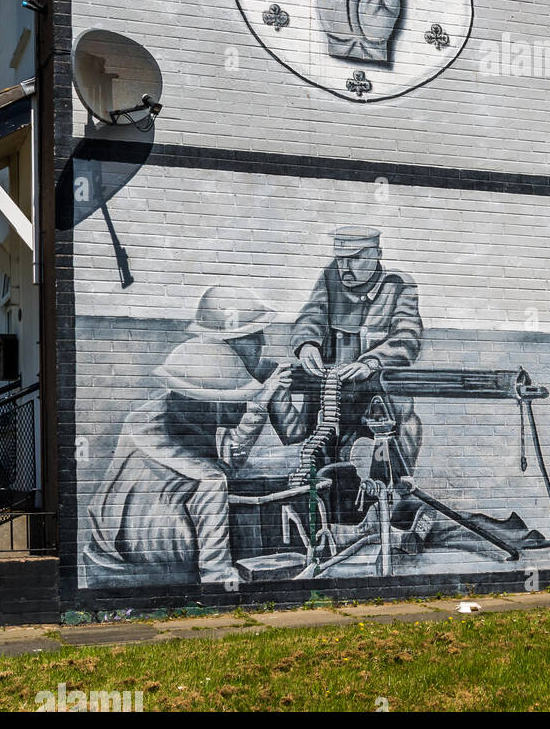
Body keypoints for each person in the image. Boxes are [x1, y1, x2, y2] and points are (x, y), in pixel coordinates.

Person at [82, 286, 304, 591]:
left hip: (101, 561)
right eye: (252, 337)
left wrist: (260, 402)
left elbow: (226, 455)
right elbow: (217, 577)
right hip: (160, 579)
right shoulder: (208, 482)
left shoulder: (141, 422)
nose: (261, 346)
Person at [291, 226, 423, 469]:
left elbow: (407, 338)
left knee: (390, 475)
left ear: (377, 254)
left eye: (354, 259)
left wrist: (370, 363)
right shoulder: (330, 277)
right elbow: (312, 315)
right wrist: (307, 344)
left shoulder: (398, 285)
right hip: (330, 403)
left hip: (379, 408)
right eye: (340, 259)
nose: (345, 268)